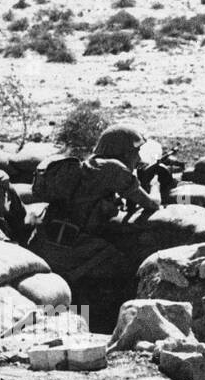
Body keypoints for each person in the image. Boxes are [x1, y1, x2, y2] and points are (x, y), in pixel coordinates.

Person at [27, 122, 166, 288]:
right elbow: (152, 205)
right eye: (136, 152)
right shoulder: (112, 169)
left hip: (47, 242)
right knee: (132, 267)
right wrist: (155, 184)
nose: (139, 158)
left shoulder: (91, 165)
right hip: (72, 248)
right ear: (124, 152)